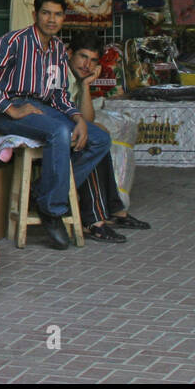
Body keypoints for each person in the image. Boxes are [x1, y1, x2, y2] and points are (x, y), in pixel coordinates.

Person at [0, 0, 111, 250]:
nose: (51, 19)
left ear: (63, 18)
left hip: (45, 110)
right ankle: (52, 210)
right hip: (12, 111)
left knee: (100, 138)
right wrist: (9, 108)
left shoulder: (58, 48)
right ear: (36, 14)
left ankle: (43, 190)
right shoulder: (14, 41)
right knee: (58, 131)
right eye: (46, 13)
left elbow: (58, 95)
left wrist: (78, 118)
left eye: (57, 14)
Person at [66, 31, 150, 243]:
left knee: (98, 137)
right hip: (54, 133)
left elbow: (87, 117)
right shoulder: (61, 75)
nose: (87, 64)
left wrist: (86, 85)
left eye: (93, 60)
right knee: (93, 141)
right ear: (69, 54)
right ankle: (94, 220)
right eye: (83, 57)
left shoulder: (78, 78)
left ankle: (113, 210)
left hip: (68, 131)